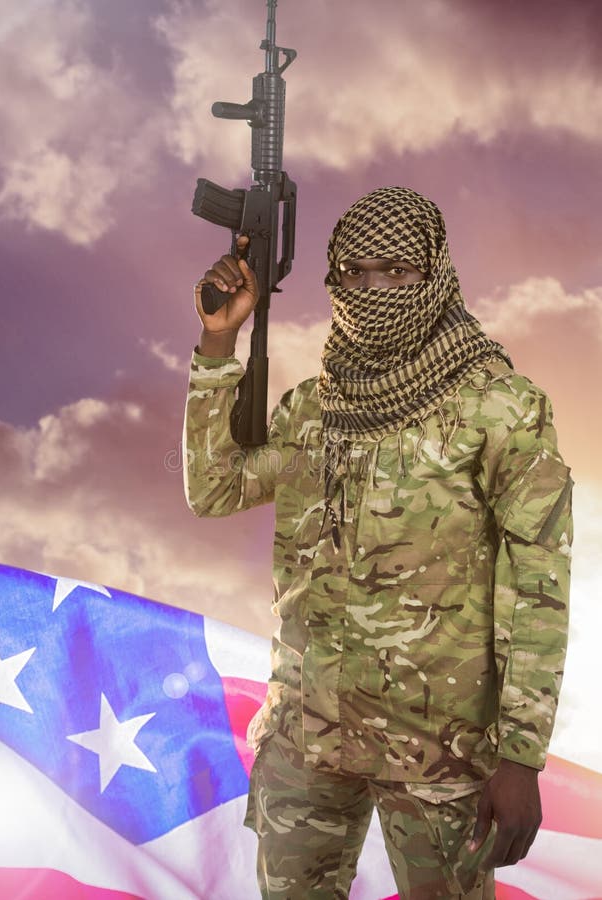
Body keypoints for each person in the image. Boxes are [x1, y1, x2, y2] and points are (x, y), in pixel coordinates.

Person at [183, 187, 572, 899]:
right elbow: (214, 489)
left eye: (397, 273)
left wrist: (521, 755)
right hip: (307, 739)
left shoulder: (501, 409)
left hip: (440, 753)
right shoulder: (314, 406)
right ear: (335, 280)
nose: (376, 290)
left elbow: (538, 584)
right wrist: (218, 343)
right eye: (358, 274)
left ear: (434, 275)